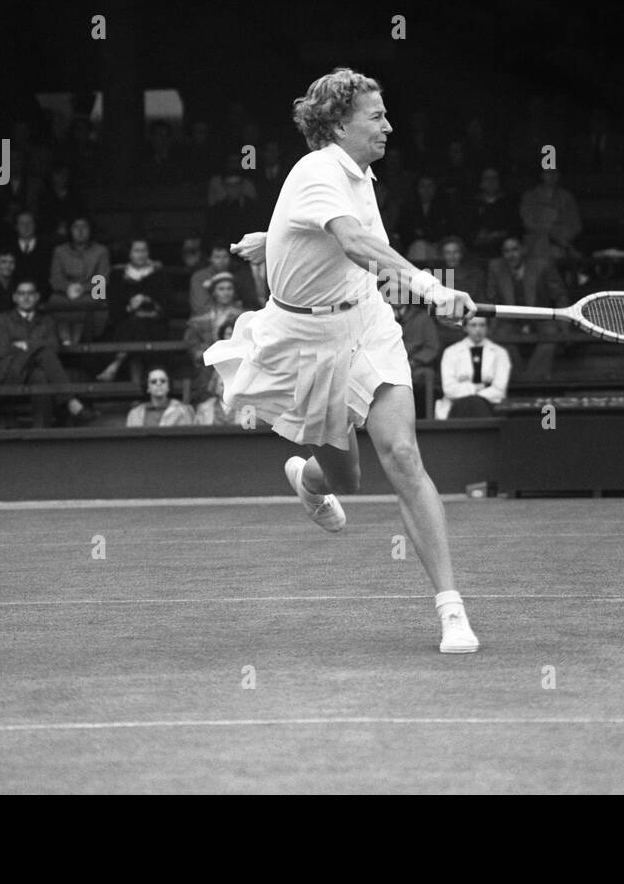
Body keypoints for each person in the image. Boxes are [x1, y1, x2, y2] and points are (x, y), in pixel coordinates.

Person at [203, 67, 480, 654]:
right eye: (376, 116)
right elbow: (356, 243)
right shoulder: (318, 170)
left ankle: (451, 610)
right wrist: (434, 291)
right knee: (346, 478)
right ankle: (308, 478)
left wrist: (275, 234)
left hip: (366, 322)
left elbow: (345, 246)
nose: (389, 125)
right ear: (338, 125)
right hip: (305, 342)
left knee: (403, 455)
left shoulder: (360, 174)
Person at [0, 280, 97, 427]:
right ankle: (71, 401)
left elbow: (54, 347)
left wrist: (24, 346)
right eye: (21, 293)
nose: (26, 297)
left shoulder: (46, 320)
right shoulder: (2, 320)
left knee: (41, 376)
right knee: (43, 353)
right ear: (14, 298)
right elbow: (0, 350)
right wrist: (36, 346)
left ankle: (41, 431)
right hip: (7, 372)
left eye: (30, 293)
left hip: (33, 372)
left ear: (37, 297)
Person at [485, 234, 569, 380]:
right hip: (510, 318)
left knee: (552, 333)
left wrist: (564, 325)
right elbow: (492, 299)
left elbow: (560, 295)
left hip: (540, 316)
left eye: (515, 250)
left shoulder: (541, 265)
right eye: (506, 251)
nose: (511, 255)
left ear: (523, 250)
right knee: (500, 335)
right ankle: (518, 377)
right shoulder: (495, 267)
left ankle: (533, 377)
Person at [97, 239, 173, 384]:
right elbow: (113, 308)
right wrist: (131, 307)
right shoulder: (117, 276)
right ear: (130, 254)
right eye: (136, 251)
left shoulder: (160, 274)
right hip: (126, 324)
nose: (141, 254)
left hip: (155, 326)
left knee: (140, 329)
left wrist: (147, 300)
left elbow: (168, 306)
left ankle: (116, 364)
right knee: (135, 328)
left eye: (144, 250)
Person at [47, 215, 110, 344]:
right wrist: (68, 288)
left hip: (93, 293)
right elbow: (55, 278)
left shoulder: (101, 251)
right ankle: (68, 344)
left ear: (90, 229)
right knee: (55, 302)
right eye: (76, 226)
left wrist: (82, 289)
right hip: (65, 293)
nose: (80, 230)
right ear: (70, 230)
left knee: (91, 304)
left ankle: (74, 344)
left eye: (84, 226)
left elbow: (101, 279)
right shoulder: (59, 251)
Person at [436, 315, 511, 419]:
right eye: (473, 325)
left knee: (477, 405)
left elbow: (499, 389)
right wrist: (477, 387)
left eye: (482, 325)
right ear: (465, 327)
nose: (478, 329)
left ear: (487, 328)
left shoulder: (500, 353)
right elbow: (449, 389)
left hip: (490, 405)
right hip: (457, 405)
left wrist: (473, 396)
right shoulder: (451, 352)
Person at [126, 368, 194, 427]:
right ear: (148, 388)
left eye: (163, 381)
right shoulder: (135, 414)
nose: (158, 384)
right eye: (153, 382)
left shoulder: (183, 410)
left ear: (168, 386)